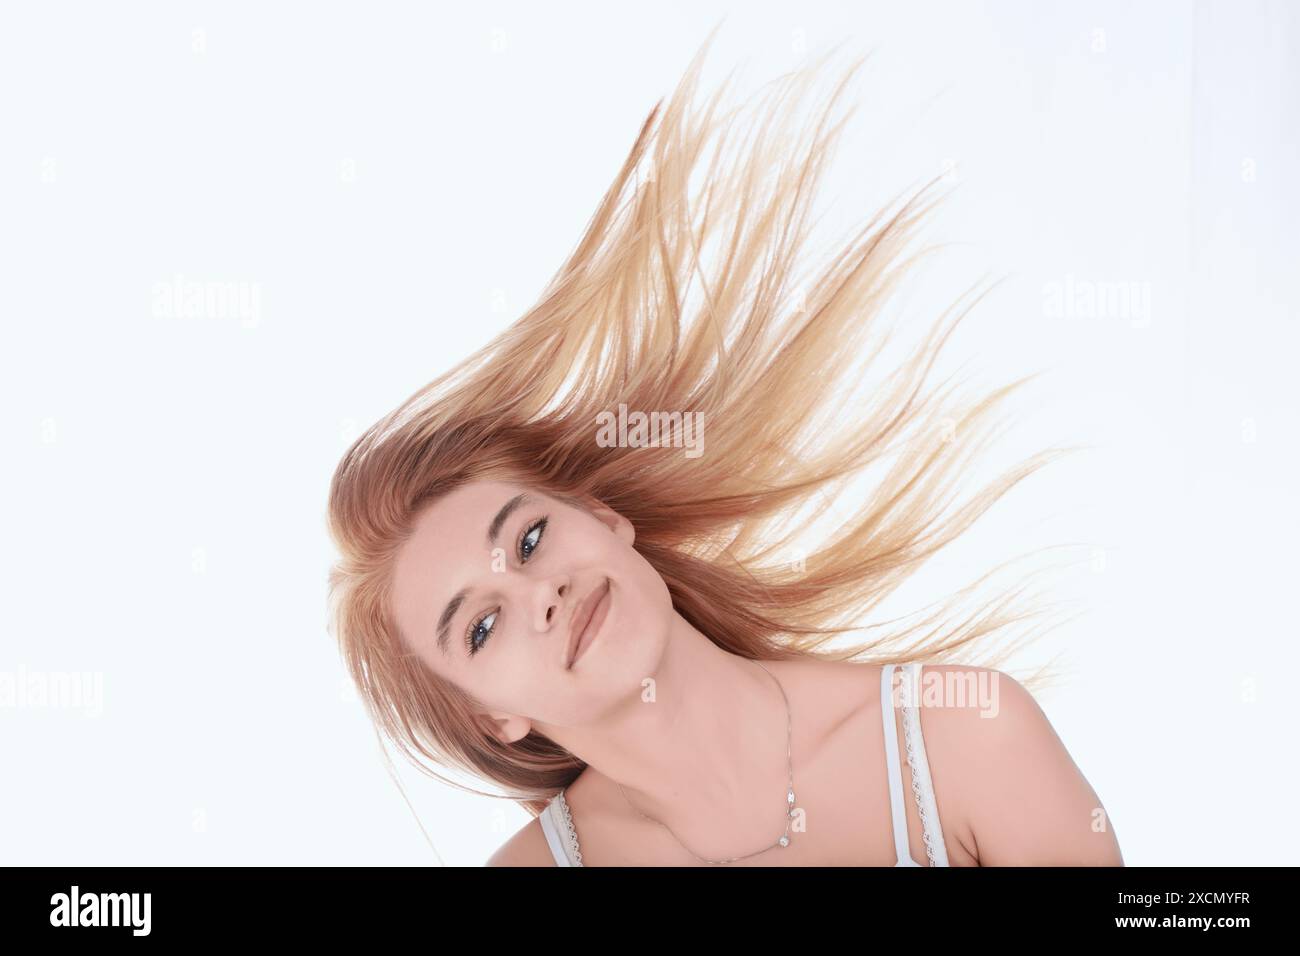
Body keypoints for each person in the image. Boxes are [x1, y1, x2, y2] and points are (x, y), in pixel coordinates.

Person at [325, 28, 1124, 867]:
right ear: (493, 718)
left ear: (601, 518)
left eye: (528, 540)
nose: (541, 594)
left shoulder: (961, 739)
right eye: (483, 626)